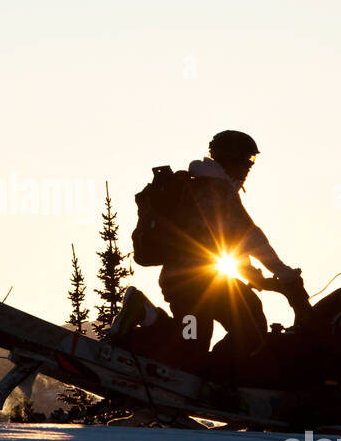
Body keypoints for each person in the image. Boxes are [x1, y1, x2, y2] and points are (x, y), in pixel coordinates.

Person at [114, 130, 305, 376]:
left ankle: (211, 370)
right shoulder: (216, 189)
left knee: (214, 329)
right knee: (202, 338)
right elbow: (249, 236)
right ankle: (150, 318)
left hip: (190, 284)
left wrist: (252, 275)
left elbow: (222, 240)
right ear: (231, 157)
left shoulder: (205, 187)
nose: (250, 166)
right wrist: (282, 272)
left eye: (252, 160)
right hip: (196, 286)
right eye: (247, 159)